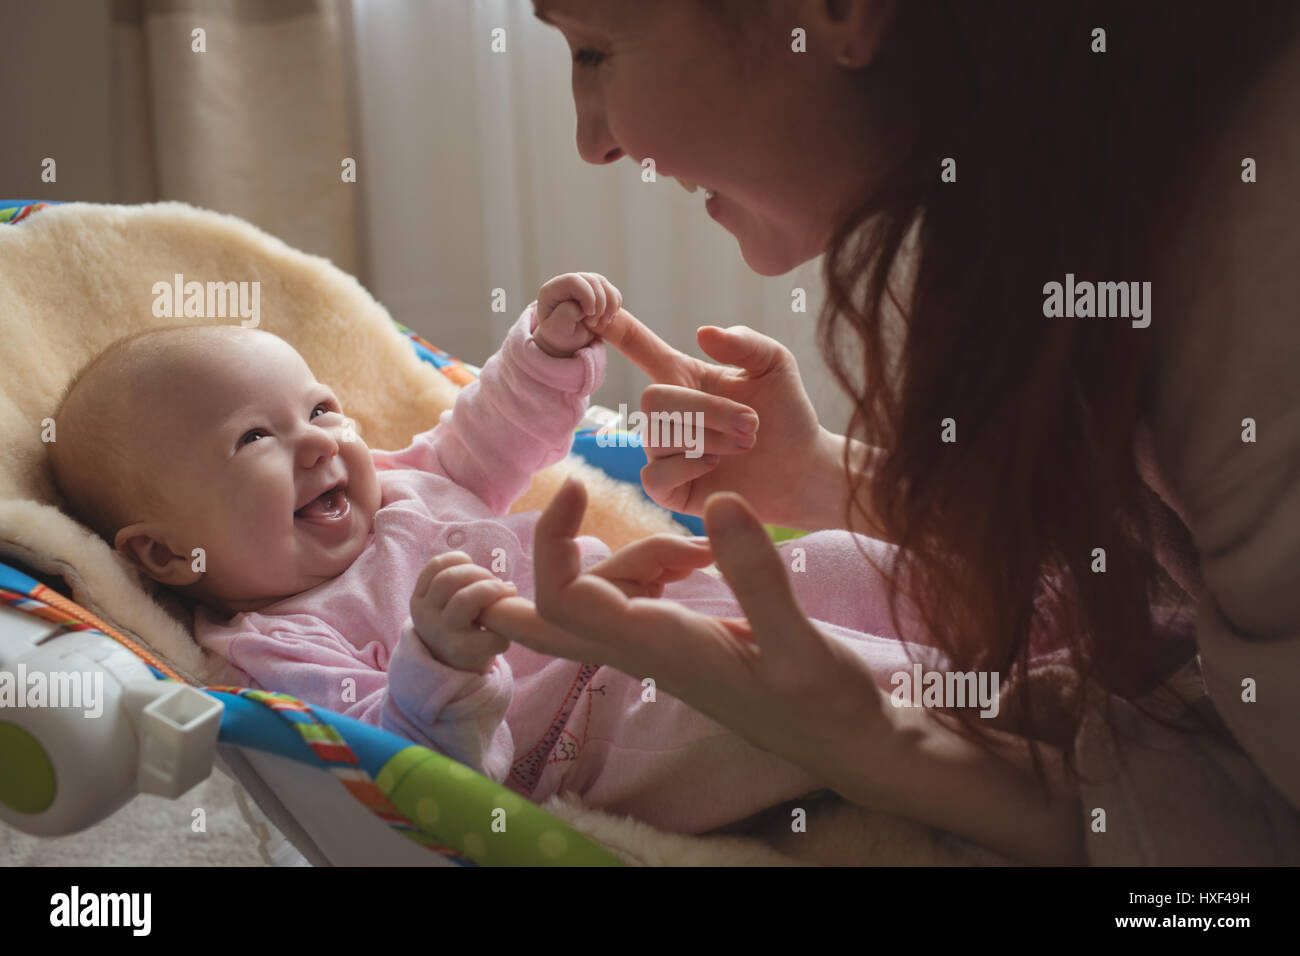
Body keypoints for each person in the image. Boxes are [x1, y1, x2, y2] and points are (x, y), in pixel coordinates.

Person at [488, 0, 1300, 864]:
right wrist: (814, 477)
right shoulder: (1094, 179)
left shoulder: (1251, 270)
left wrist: (873, 744)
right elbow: (1175, 585)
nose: (593, 142)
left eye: (595, 51)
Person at [48, 271, 946, 835]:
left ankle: (1041, 617)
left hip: (669, 597)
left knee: (835, 561)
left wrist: (547, 350)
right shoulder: (268, 647)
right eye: (254, 441)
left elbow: (493, 427)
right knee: (826, 685)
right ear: (167, 555)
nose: (321, 445)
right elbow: (392, 767)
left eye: (320, 411)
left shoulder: (404, 479)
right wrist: (437, 662)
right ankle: (1019, 726)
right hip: (609, 731)